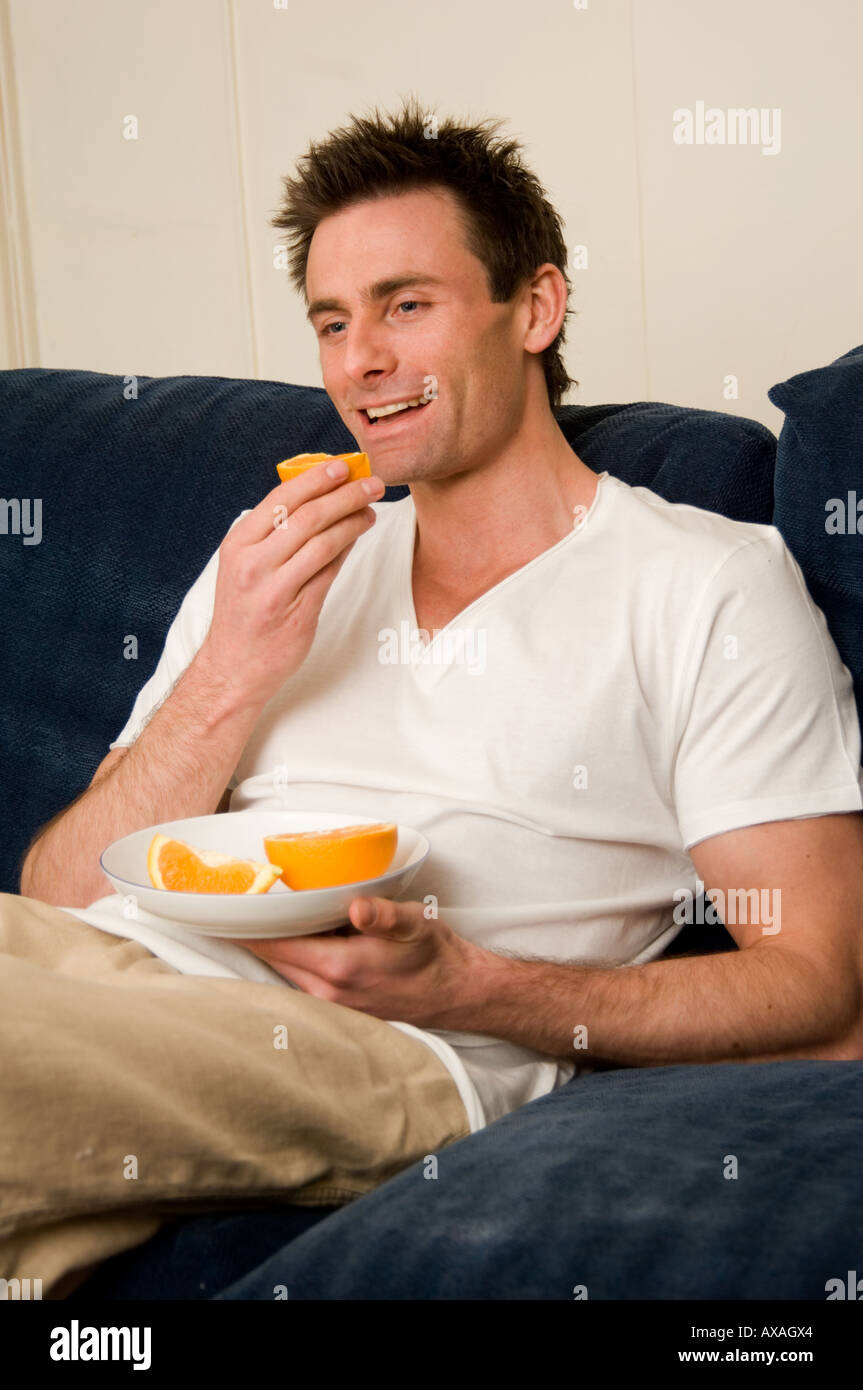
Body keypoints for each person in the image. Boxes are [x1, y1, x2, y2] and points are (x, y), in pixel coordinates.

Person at [12, 97, 863, 1298]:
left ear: (535, 308)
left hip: (388, 1051)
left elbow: (822, 987)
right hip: (99, 972)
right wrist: (234, 665)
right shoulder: (273, 563)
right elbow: (55, 891)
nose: (360, 362)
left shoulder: (704, 584)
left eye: (405, 305)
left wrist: (477, 987)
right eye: (331, 321)